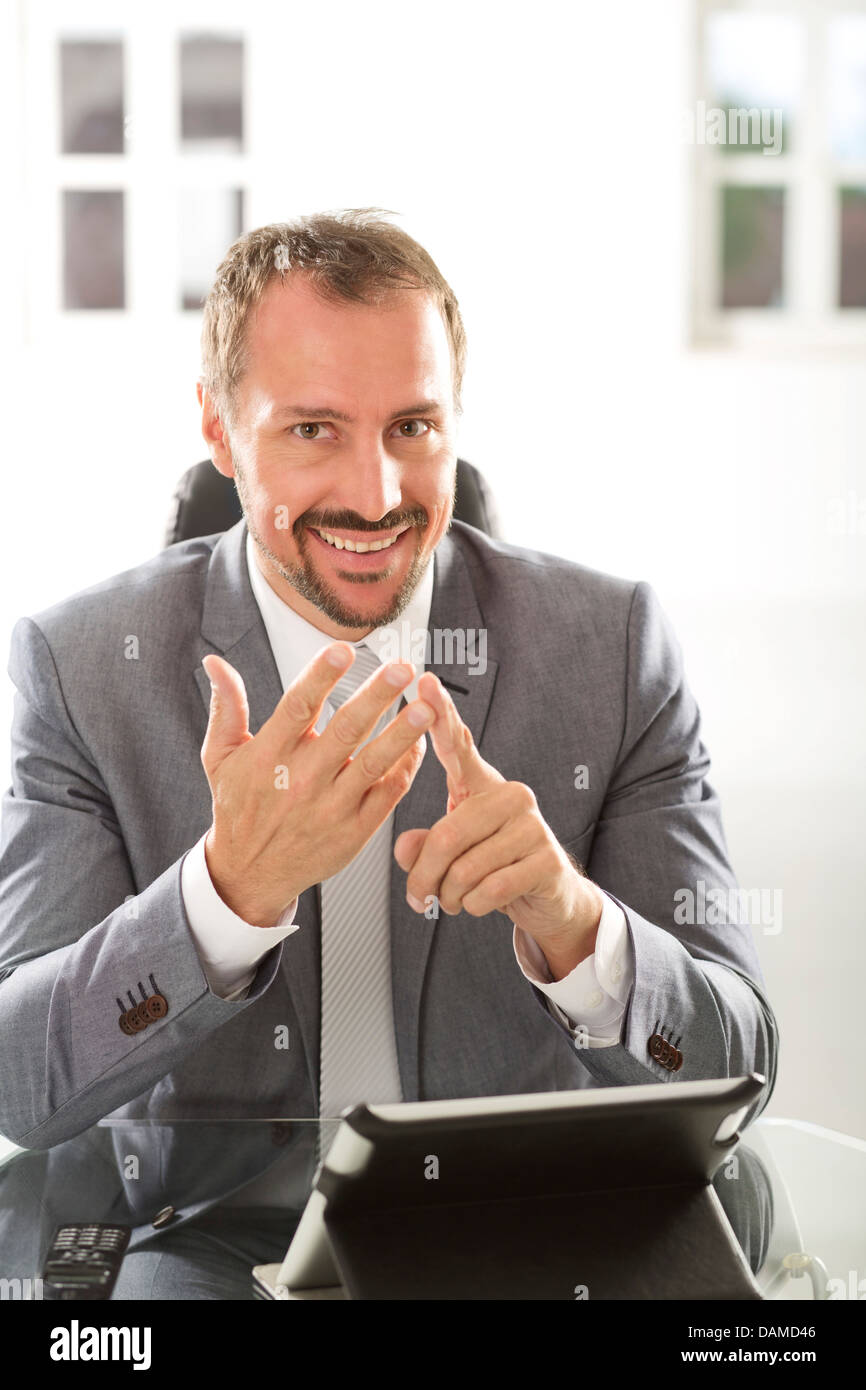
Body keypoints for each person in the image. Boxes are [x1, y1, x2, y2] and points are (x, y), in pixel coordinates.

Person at [0, 209, 777, 1213]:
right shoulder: (81, 667)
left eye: (412, 428)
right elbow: (23, 1083)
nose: (374, 498)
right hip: (209, 1240)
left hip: (523, 1232)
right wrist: (226, 895)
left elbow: (738, 1072)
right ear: (219, 429)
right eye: (312, 429)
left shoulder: (611, 649)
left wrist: (580, 931)